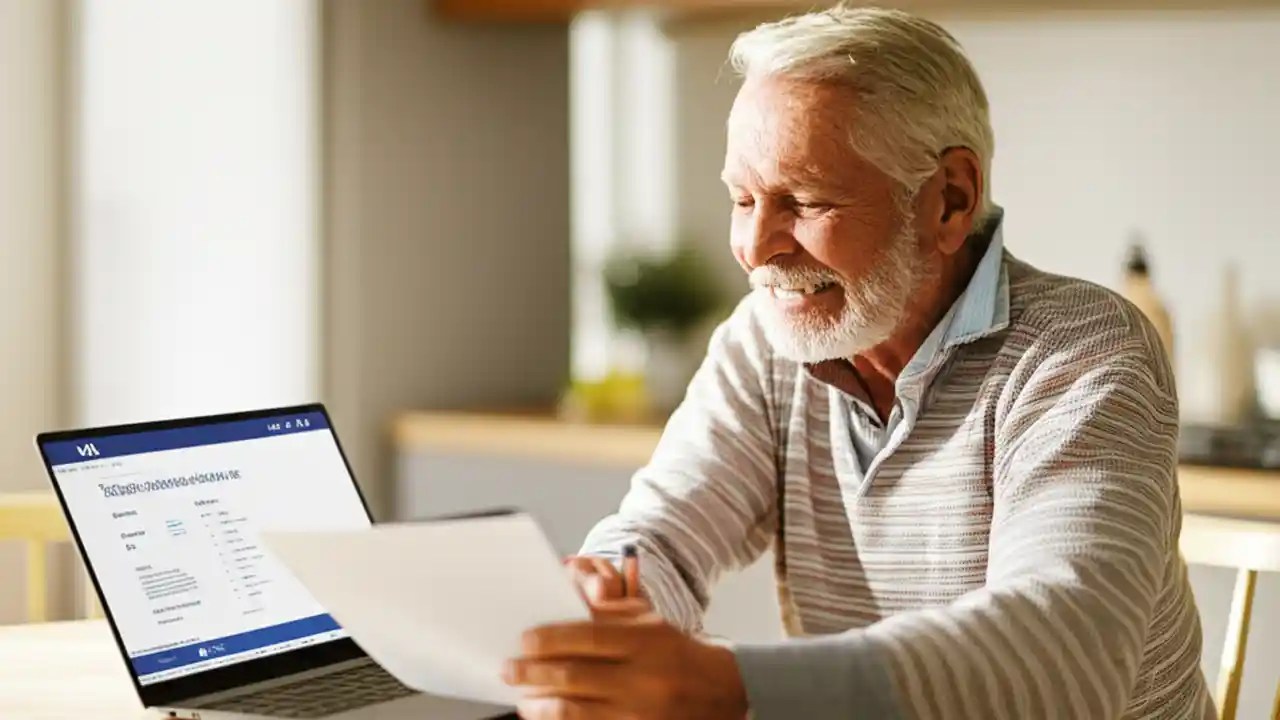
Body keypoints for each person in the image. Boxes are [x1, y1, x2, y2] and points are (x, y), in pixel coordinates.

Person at [503, 5, 1212, 719]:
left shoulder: (1082, 349)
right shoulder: (767, 340)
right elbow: (663, 537)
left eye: (804, 201)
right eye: (741, 199)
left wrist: (729, 683)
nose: (754, 246)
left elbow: (1062, 658)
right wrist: (606, 590)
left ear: (949, 201)